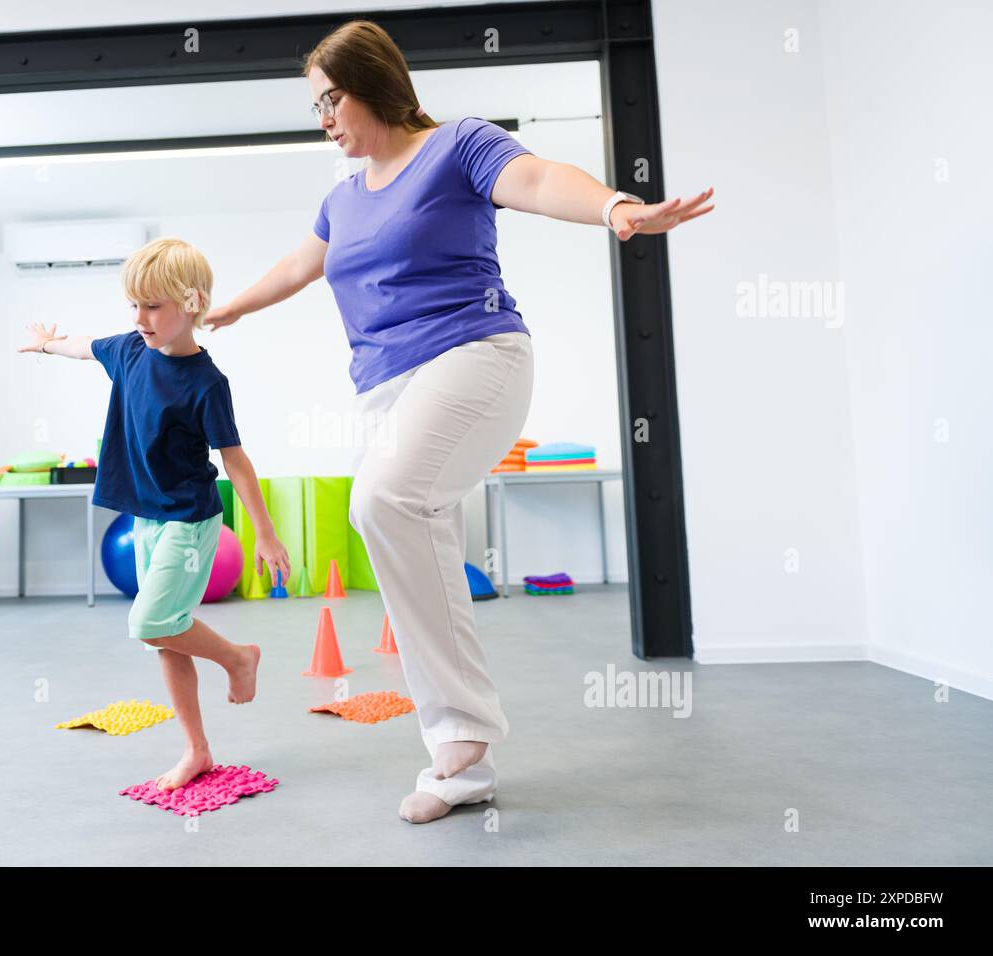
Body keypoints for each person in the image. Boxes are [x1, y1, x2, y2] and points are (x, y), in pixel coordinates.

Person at [202, 20, 714, 823]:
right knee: (411, 524)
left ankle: (462, 739)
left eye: (331, 100)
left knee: (377, 502)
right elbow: (301, 265)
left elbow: (541, 180)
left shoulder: (457, 146)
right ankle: (462, 757)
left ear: (374, 83)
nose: (325, 119)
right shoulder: (341, 197)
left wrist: (614, 205)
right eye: (316, 108)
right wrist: (229, 306)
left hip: (475, 355)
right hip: (385, 387)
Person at [19, 237, 292, 792]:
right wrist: (49, 345)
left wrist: (265, 533)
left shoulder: (207, 384)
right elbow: (82, 345)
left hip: (190, 521)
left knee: (148, 622)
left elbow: (235, 462)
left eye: (153, 306)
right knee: (164, 637)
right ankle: (197, 750)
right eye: (134, 305)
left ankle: (239, 658)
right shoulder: (127, 351)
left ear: (190, 302)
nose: (140, 318)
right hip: (147, 516)